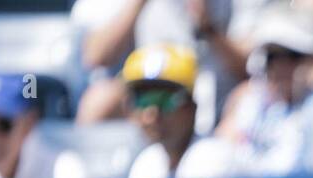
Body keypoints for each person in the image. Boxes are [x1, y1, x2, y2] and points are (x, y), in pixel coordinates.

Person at [72, 0, 262, 125]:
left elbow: (254, 67)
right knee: (98, 104)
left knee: (248, 97)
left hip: (223, 95)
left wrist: (207, 28)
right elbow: (96, 56)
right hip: (150, 87)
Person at [215, 2, 313, 176]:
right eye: (273, 56)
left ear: (312, 59)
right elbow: (219, 156)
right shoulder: (245, 97)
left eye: (293, 55)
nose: (282, 66)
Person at [123, 44, 239, 178]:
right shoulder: (144, 166)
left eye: (165, 100)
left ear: (192, 106)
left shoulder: (213, 158)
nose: (151, 113)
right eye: (142, 100)